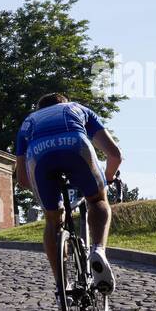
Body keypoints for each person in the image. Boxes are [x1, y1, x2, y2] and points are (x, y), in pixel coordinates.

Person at [13, 93, 122, 300]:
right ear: (64, 103)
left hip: (39, 155)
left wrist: (48, 195)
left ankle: (62, 284)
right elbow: (114, 155)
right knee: (97, 200)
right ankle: (98, 249)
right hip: (75, 145)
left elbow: (23, 180)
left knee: (52, 220)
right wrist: (106, 179)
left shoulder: (28, 122)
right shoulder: (76, 108)